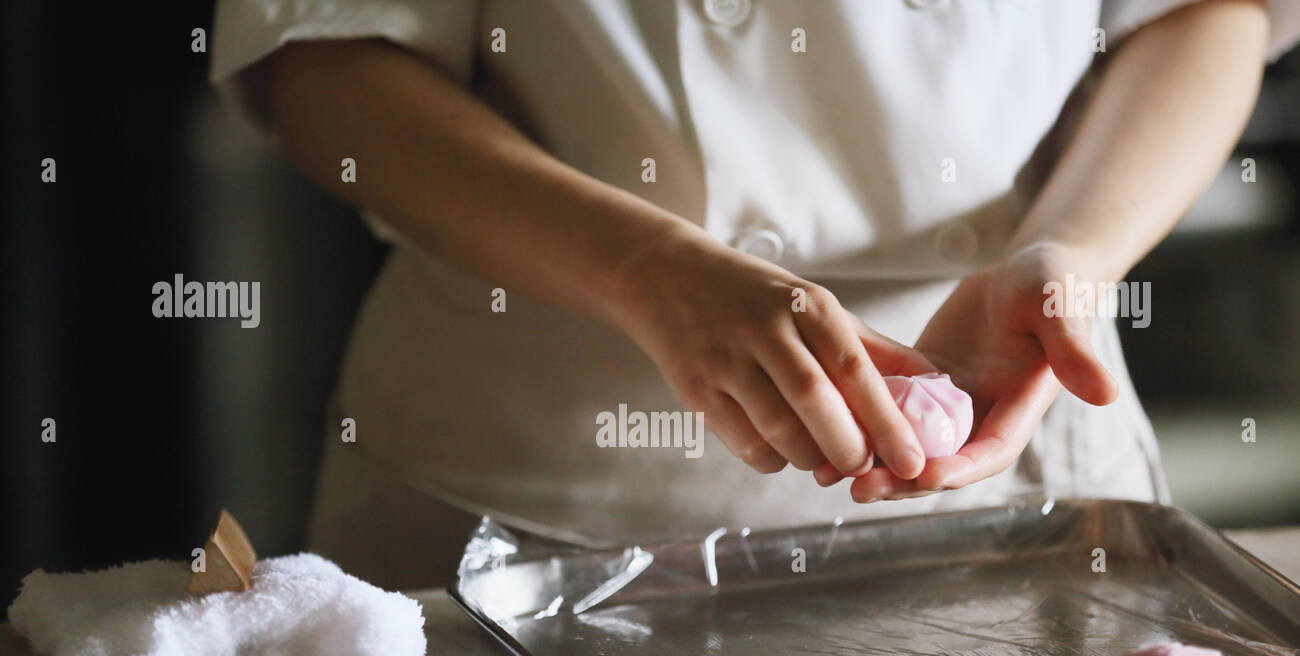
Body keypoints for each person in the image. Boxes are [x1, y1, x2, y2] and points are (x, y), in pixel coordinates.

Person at [210, 0, 1298, 589]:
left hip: (1011, 463)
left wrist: (1076, 248)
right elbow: (324, 57)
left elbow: (1204, 11)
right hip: (530, 494)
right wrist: (642, 268)